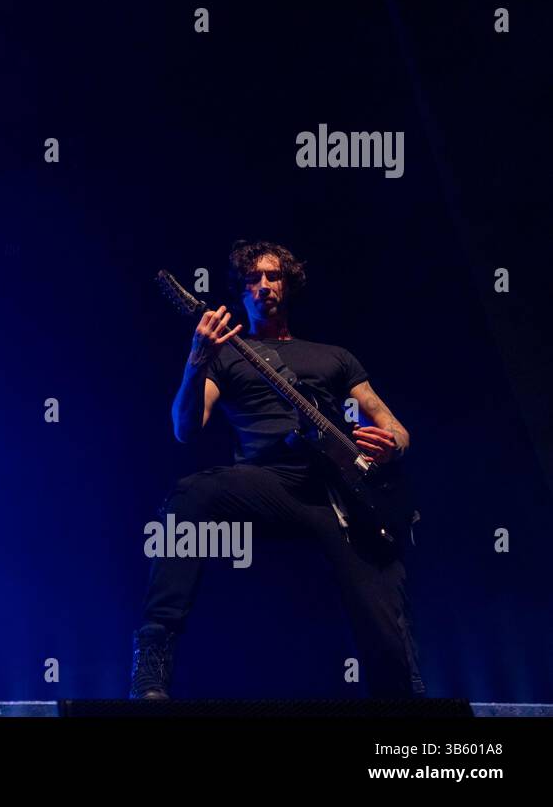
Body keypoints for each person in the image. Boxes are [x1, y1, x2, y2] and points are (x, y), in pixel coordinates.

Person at [129, 240, 425, 699]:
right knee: (191, 493)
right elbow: (186, 429)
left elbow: (396, 429)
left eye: (274, 276)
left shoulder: (335, 356)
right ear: (241, 290)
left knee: (383, 615)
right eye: (253, 278)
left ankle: (405, 698)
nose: (264, 285)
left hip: (339, 492)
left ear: (289, 285)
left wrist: (391, 447)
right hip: (269, 482)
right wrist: (196, 356)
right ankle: (153, 654)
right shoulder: (226, 353)